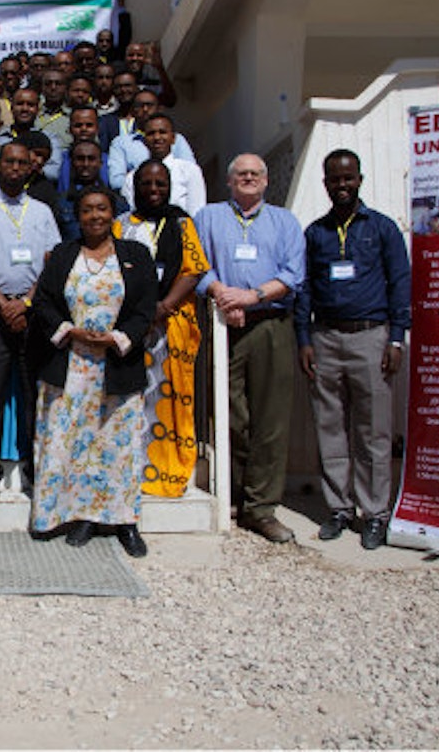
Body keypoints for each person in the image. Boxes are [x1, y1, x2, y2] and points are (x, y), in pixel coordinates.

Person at [28, 186, 156, 557]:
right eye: (87, 210)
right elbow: (43, 302)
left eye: (102, 209)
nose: (95, 216)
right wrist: (71, 331)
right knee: (73, 442)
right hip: (71, 368)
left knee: (117, 446)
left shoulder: (136, 255)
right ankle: (81, 515)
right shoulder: (64, 255)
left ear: (113, 214)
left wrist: (117, 338)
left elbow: (146, 307)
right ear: (78, 216)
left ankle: (124, 521)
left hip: (117, 365)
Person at [295, 149, 411, 550]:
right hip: (326, 337)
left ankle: (374, 513)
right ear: (325, 183)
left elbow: (400, 282)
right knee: (329, 427)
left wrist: (397, 337)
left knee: (373, 430)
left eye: (348, 178)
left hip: (371, 337)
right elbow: (305, 289)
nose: (341, 185)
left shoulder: (381, 228)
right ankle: (338, 508)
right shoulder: (316, 233)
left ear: (359, 180)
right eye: (334, 179)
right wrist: (304, 339)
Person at [194, 154, 305, 543]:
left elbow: (293, 274)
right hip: (225, 325)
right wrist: (224, 296)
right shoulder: (207, 217)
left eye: (255, 173)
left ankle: (262, 509)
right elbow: (196, 264)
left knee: (271, 420)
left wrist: (252, 297)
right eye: (241, 173)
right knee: (229, 415)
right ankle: (237, 493)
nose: (248, 178)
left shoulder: (284, 221)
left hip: (271, 324)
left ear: (266, 180)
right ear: (229, 180)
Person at [0, 141, 62, 501]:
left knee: (34, 396)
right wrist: (4, 304)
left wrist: (27, 302)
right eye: (10, 162)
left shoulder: (42, 211)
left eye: (23, 162)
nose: (16, 168)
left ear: (32, 167)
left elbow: (51, 262)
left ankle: (35, 473)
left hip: (33, 314)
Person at [115, 162, 210, 498]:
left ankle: (168, 471)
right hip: (132, 325)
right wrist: (142, 311)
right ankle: (131, 470)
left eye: (160, 183)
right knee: (132, 399)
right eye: (146, 183)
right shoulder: (121, 225)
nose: (153, 189)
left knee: (171, 398)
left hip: (172, 324)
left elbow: (194, 270)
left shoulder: (184, 224)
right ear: (135, 187)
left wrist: (164, 305)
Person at [120, 113, 206, 216]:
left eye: (162, 132)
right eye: (151, 133)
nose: (157, 137)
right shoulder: (132, 178)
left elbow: (197, 213)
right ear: (144, 140)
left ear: (173, 138)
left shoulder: (190, 171)